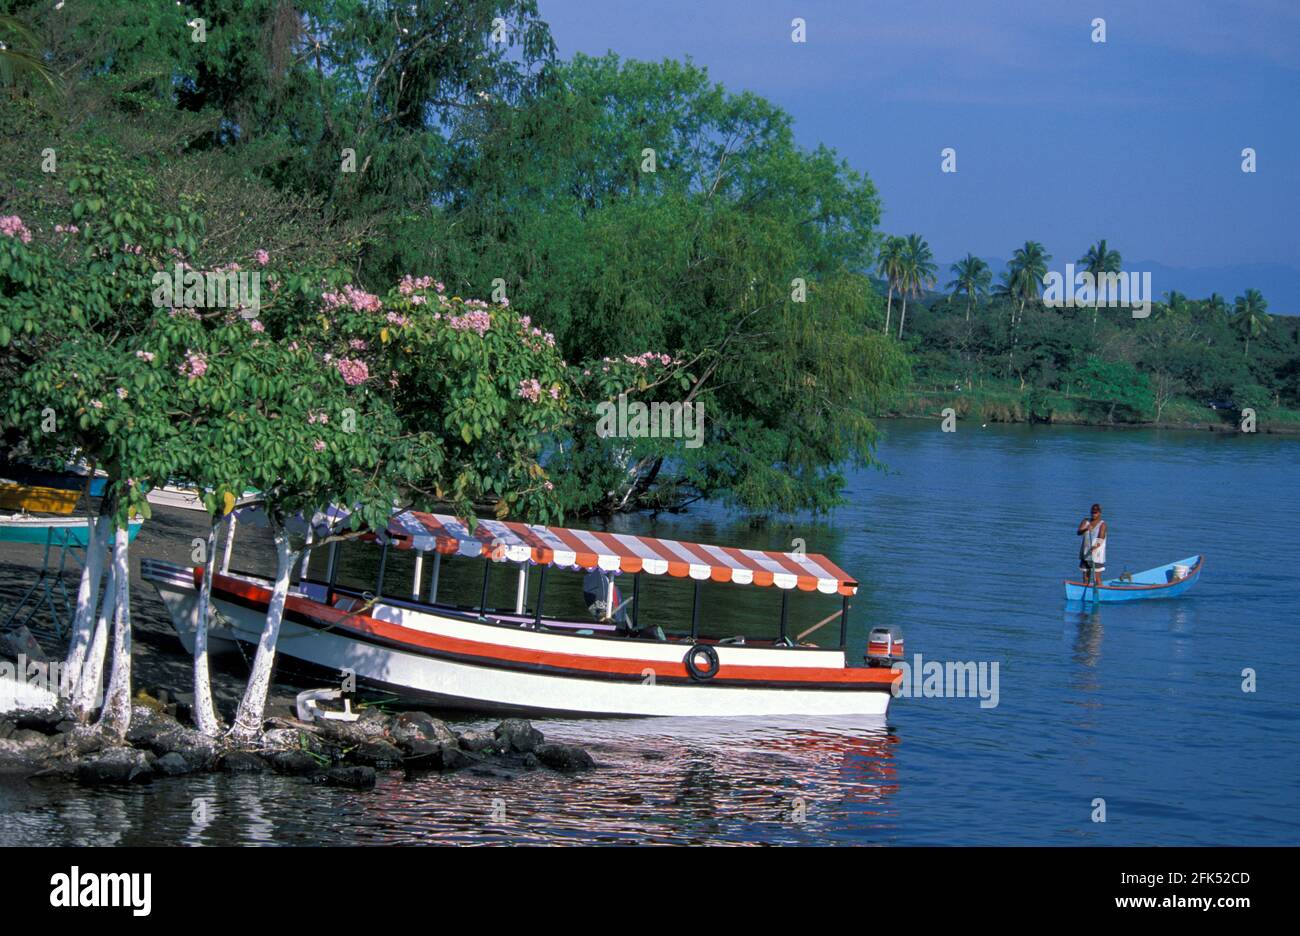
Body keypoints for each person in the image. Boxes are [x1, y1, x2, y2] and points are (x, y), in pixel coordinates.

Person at [1076, 503, 1107, 586]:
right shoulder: (1085, 521)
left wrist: (1094, 547)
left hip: (1097, 555)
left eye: (1096, 512)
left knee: (1097, 578)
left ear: (1100, 513)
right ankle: (1086, 590)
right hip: (1085, 553)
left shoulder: (1102, 524)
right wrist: (1086, 528)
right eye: (1092, 512)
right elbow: (1078, 532)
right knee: (1086, 576)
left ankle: (1100, 592)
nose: (1093, 514)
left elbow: (1100, 539)